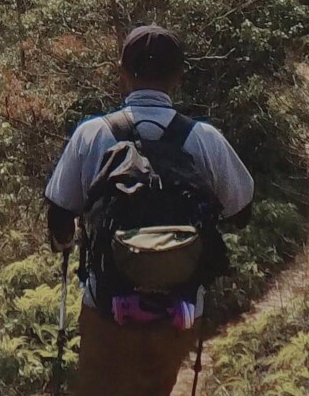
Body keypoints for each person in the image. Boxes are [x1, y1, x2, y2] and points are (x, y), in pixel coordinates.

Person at [44, 24, 254, 396]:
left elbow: (60, 212)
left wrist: (65, 244)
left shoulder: (92, 134)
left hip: (106, 307)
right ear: (178, 76)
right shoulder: (204, 139)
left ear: (122, 71)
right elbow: (241, 210)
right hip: (179, 312)